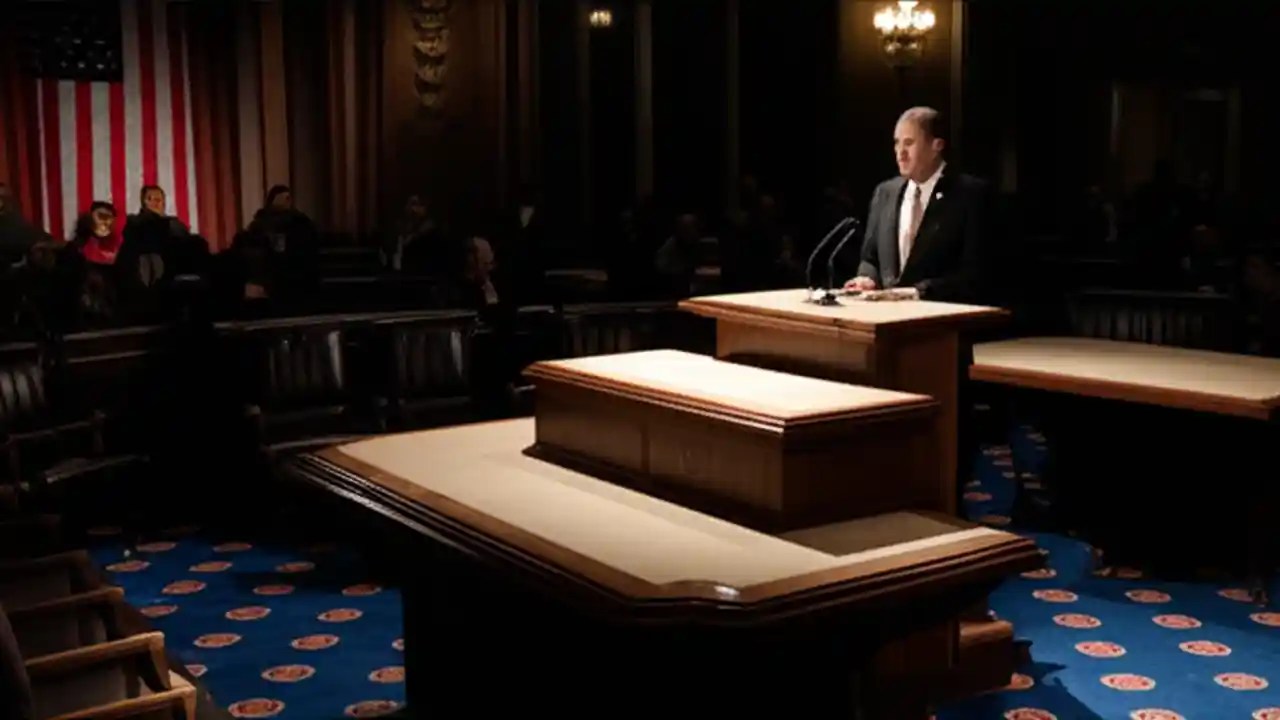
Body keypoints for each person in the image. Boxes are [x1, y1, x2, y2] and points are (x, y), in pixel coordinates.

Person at [844, 107, 994, 304]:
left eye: (909, 143)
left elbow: (976, 273)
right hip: (885, 321)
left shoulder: (970, 195)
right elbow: (870, 258)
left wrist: (918, 292)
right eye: (897, 143)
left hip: (941, 322)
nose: (900, 153)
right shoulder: (885, 193)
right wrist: (867, 278)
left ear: (936, 145)